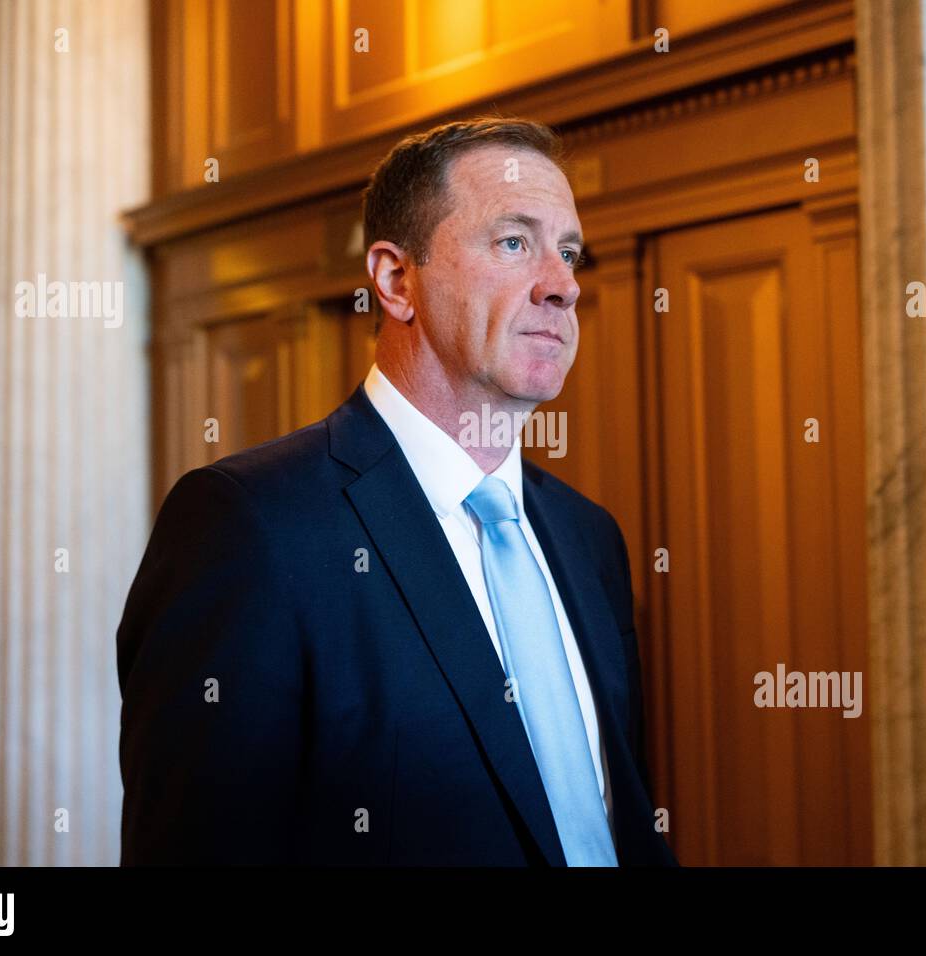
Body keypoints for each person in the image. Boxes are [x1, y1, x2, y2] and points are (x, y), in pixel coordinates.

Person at [116, 116, 678, 866]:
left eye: (568, 252)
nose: (562, 285)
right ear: (395, 279)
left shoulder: (588, 538)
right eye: (514, 243)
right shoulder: (249, 527)